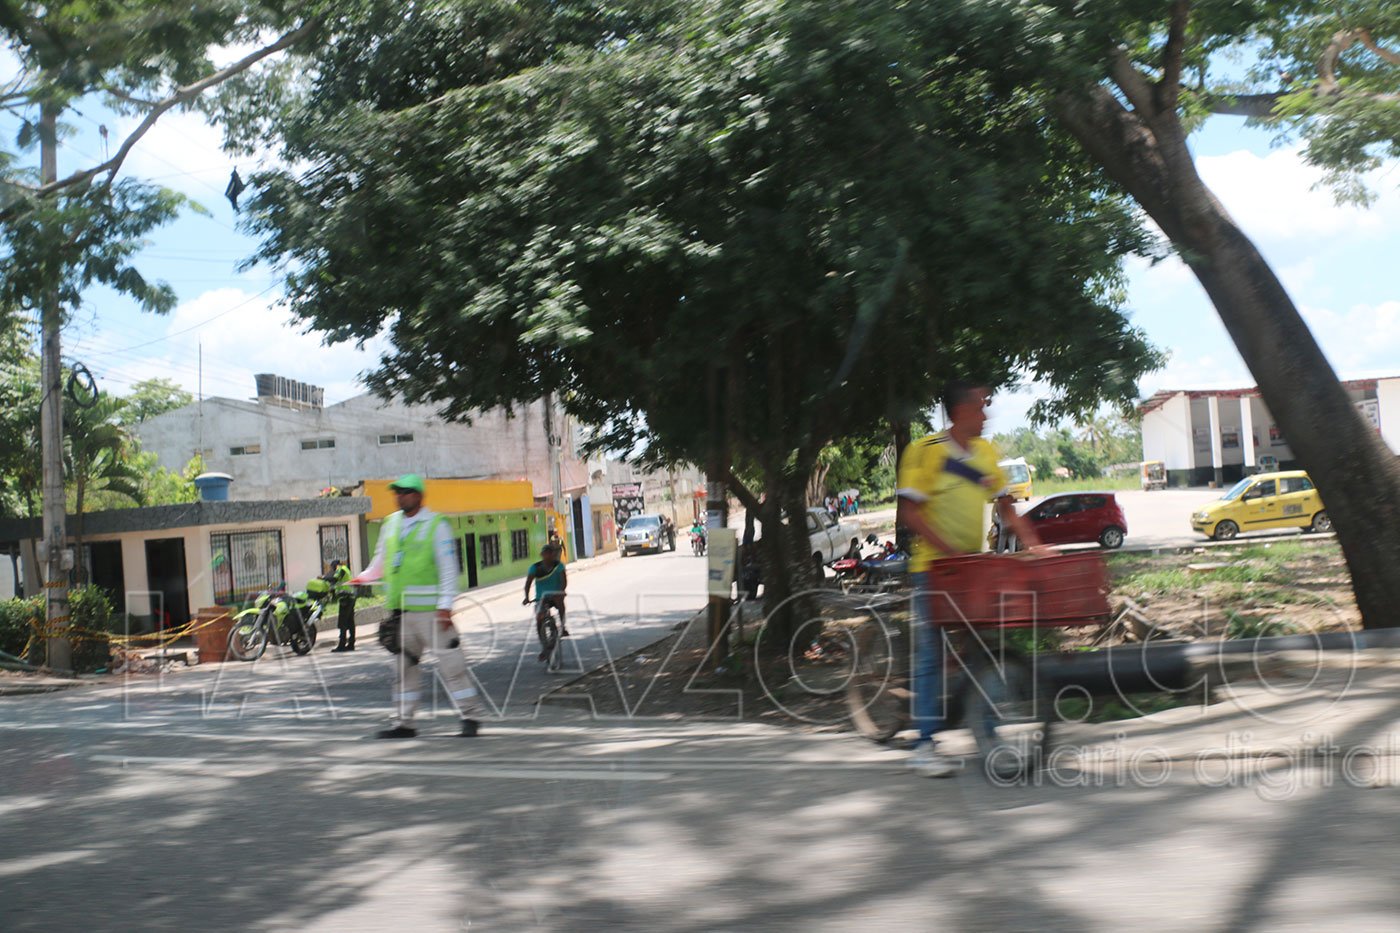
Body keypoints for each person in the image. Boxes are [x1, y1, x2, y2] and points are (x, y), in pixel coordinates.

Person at [896, 380, 1045, 778]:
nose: (986, 415)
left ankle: (989, 734)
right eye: (980, 407)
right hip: (934, 570)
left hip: (974, 571)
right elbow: (911, 514)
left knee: (982, 649)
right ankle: (924, 746)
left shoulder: (985, 453)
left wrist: (1035, 545)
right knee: (931, 654)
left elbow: (1006, 507)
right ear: (959, 411)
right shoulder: (923, 452)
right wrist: (948, 551)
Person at [352, 474, 483, 739]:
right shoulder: (390, 524)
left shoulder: (436, 525)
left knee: (452, 666)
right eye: (397, 492)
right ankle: (404, 723)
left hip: (432, 614)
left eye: (406, 492)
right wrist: (363, 577)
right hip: (401, 614)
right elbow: (380, 562)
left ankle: (470, 716)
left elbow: (449, 569)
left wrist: (446, 608)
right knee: (403, 670)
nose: (400, 496)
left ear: (419, 496)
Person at [522, 543, 568, 657]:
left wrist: (561, 591)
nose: (548, 556)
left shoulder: (559, 566)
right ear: (542, 555)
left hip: (555, 595)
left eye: (550, 554)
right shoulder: (535, 568)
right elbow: (528, 583)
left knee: (560, 604)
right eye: (545, 554)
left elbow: (564, 581)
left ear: (553, 555)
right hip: (541, 598)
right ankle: (544, 646)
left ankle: (562, 627)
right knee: (539, 618)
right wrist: (527, 598)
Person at [328, 559, 357, 652]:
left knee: (343, 622)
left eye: (332, 567)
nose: (333, 570)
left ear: (335, 565)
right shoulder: (346, 569)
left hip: (346, 598)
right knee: (350, 622)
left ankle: (342, 645)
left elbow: (335, 579)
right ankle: (351, 644)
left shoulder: (340, 569)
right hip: (351, 597)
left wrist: (323, 578)